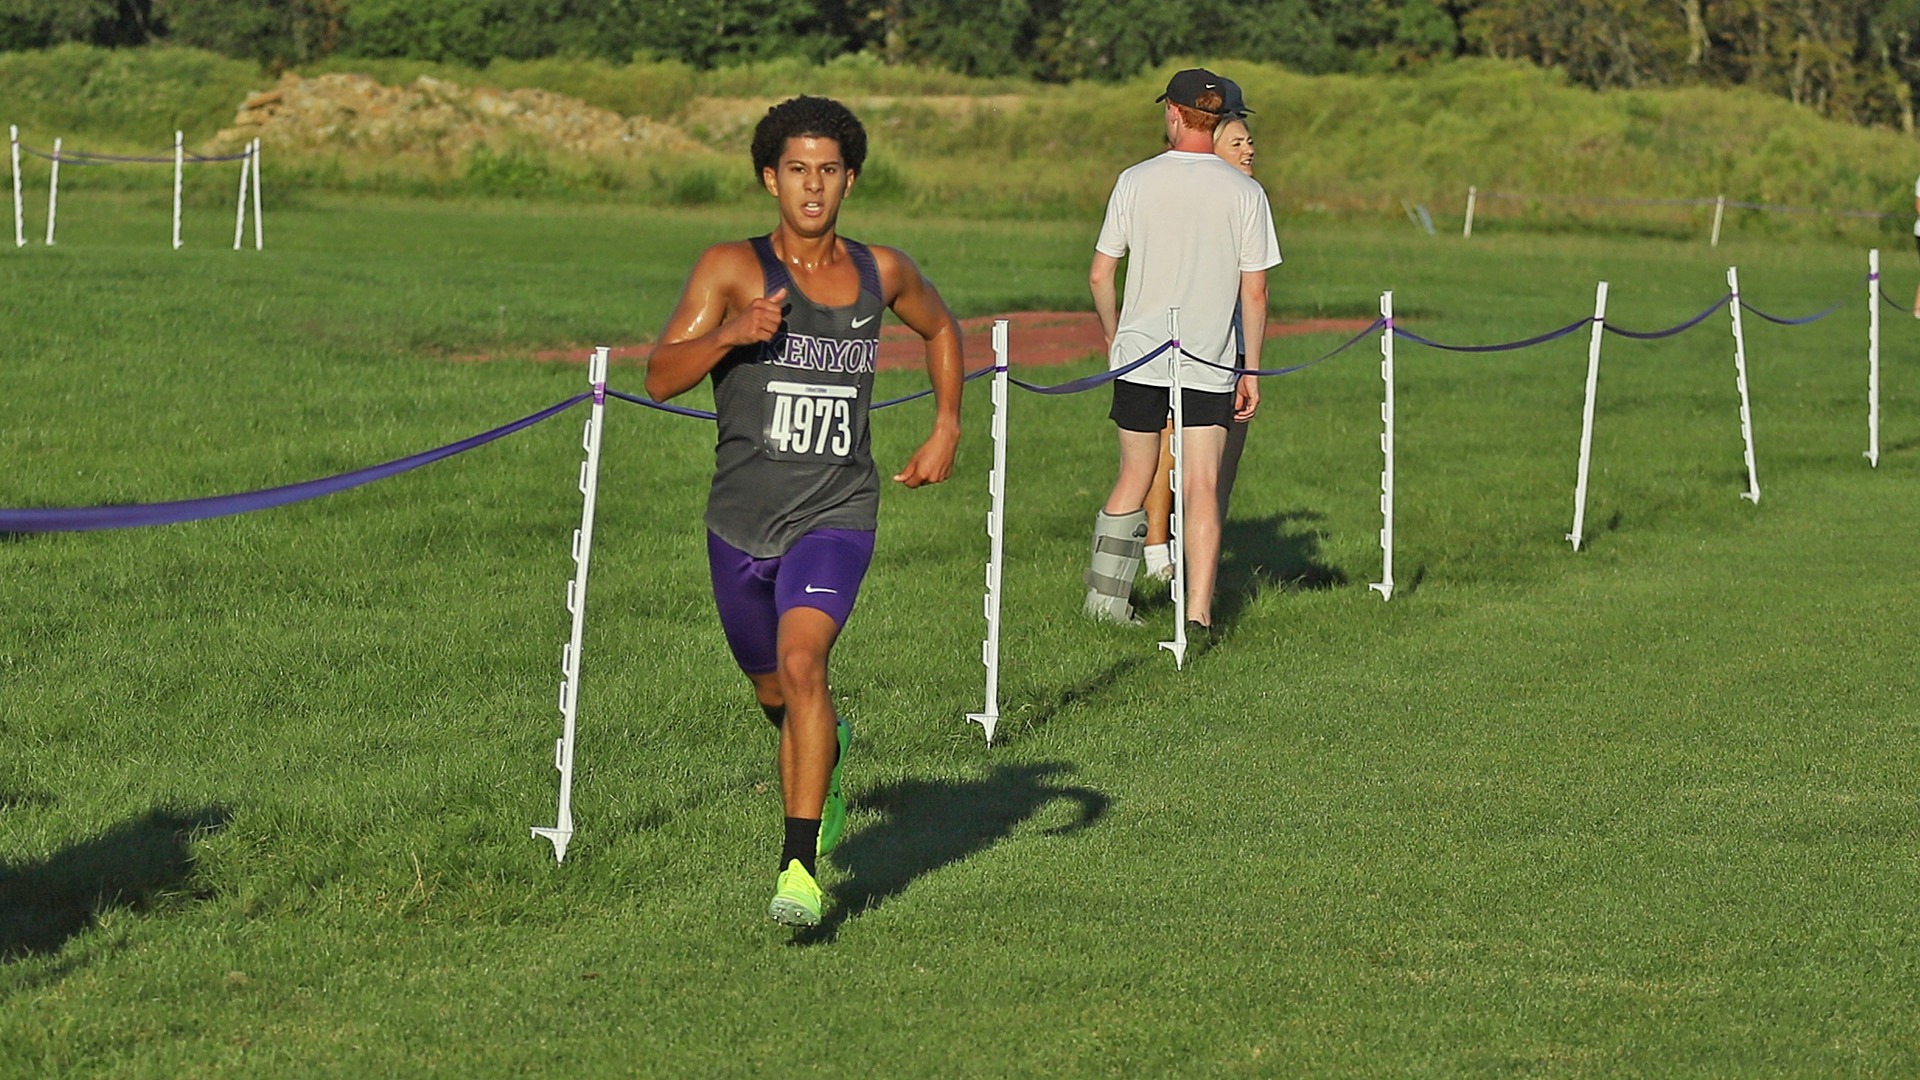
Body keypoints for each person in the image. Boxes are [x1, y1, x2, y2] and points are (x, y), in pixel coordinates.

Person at [644, 95, 963, 928]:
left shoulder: (880, 271)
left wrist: (946, 426)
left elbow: (939, 328)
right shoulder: (729, 267)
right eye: (796, 170)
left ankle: (799, 867)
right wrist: (730, 335)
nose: (812, 185)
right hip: (739, 522)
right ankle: (825, 745)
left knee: (803, 664)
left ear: (849, 179)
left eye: (828, 170)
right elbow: (659, 375)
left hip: (836, 510)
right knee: (774, 693)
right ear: (768, 178)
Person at [1085, 69, 1281, 633]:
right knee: (1201, 485)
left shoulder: (1135, 180)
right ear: (1216, 120)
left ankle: (1106, 605)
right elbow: (1256, 291)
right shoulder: (1246, 192)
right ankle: (1197, 612)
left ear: (1173, 113)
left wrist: (1113, 334)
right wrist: (1252, 368)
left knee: (1134, 474)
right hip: (1212, 357)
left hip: (1141, 353)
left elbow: (1101, 274)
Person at [1142, 84, 1262, 581]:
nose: (1248, 150)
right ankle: (1155, 549)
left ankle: (1197, 566)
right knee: (1168, 446)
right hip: (1178, 336)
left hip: (1226, 335)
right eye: (1235, 142)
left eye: (1248, 142)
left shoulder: (1246, 197)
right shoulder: (1176, 183)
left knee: (1220, 459)